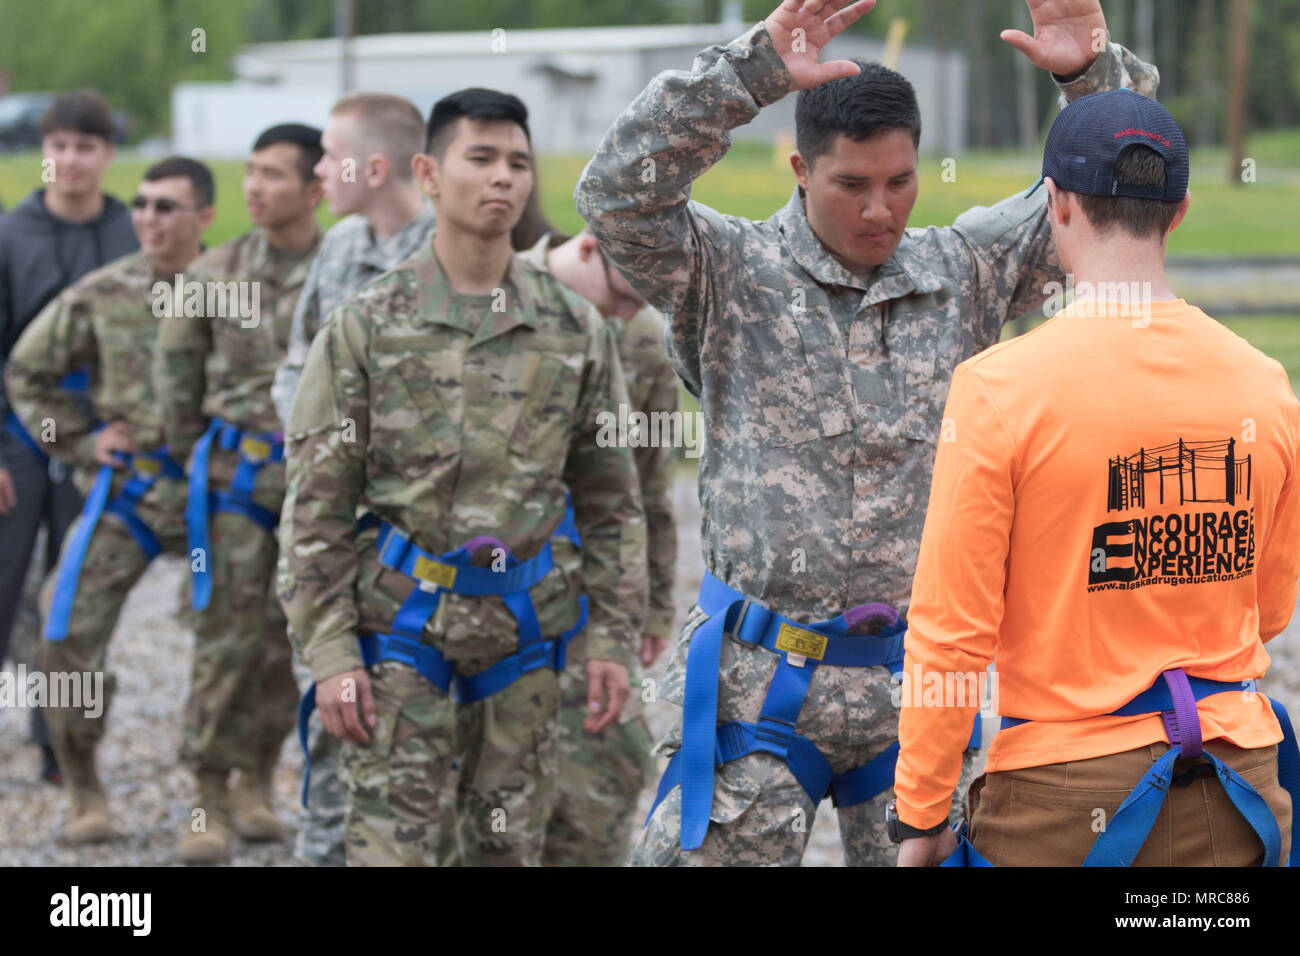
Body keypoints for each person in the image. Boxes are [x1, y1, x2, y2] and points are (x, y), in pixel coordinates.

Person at [577, 0, 1159, 866]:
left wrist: (1089, 77)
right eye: (852, 184)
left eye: (900, 181)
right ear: (801, 169)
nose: (880, 210)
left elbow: (1118, 182)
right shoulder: (728, 271)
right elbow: (618, 192)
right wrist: (752, 70)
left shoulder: (963, 270)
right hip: (759, 687)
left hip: (923, 687)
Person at [894, 90, 1299, 867]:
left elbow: (950, 637)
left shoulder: (999, 388)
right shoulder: (1266, 385)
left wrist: (921, 817)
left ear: (1057, 202)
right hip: (1235, 783)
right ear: (1177, 212)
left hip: (1062, 796)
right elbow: (1268, 608)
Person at [278, 88, 647, 866]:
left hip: (526, 640)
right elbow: (316, 505)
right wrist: (332, 653)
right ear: (429, 173)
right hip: (400, 635)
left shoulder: (570, 326)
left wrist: (611, 638)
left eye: (517, 161)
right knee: (391, 851)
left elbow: (613, 502)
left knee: (507, 850)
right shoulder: (367, 324)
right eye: (479, 158)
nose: (503, 178)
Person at [5, 157, 215, 845]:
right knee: (61, 633)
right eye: (143, 204)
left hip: (225, 498)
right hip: (130, 492)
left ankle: (220, 793)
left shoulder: (242, 292)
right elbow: (26, 372)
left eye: (167, 207)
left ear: (204, 218)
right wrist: (81, 438)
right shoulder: (102, 292)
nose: (148, 218)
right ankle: (83, 786)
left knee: (247, 643)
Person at [269, 91, 437, 869]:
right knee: (332, 693)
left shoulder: (451, 248)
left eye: (328, 158)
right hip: (339, 517)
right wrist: (322, 449)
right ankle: (323, 851)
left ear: (374, 167)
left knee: (422, 718)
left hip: (426, 535)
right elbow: (297, 366)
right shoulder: (340, 246)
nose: (315, 172)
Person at [154, 123, 324, 863]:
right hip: (234, 487)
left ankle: (259, 777)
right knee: (225, 640)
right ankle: (208, 796)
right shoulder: (214, 274)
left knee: (289, 642)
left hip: (319, 492)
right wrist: (200, 454)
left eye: (274, 175)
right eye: (250, 173)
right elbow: (176, 381)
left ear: (317, 186)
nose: (253, 187)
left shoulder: (344, 270)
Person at [512, 204, 679, 865]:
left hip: (585, 594)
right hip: (480, 588)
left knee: (604, 768)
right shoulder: (495, 302)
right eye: (619, 296)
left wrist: (655, 602)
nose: (622, 315)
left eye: (640, 305)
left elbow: (649, 491)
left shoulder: (640, 342)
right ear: (587, 249)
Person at [0, 90, 137, 785]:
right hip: (18, 434)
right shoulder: (8, 235)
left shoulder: (131, 233)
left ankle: (59, 744)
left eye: (86, 147)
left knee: (73, 594)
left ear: (107, 155)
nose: (71, 160)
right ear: (44, 152)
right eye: (59, 146)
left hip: (99, 439)